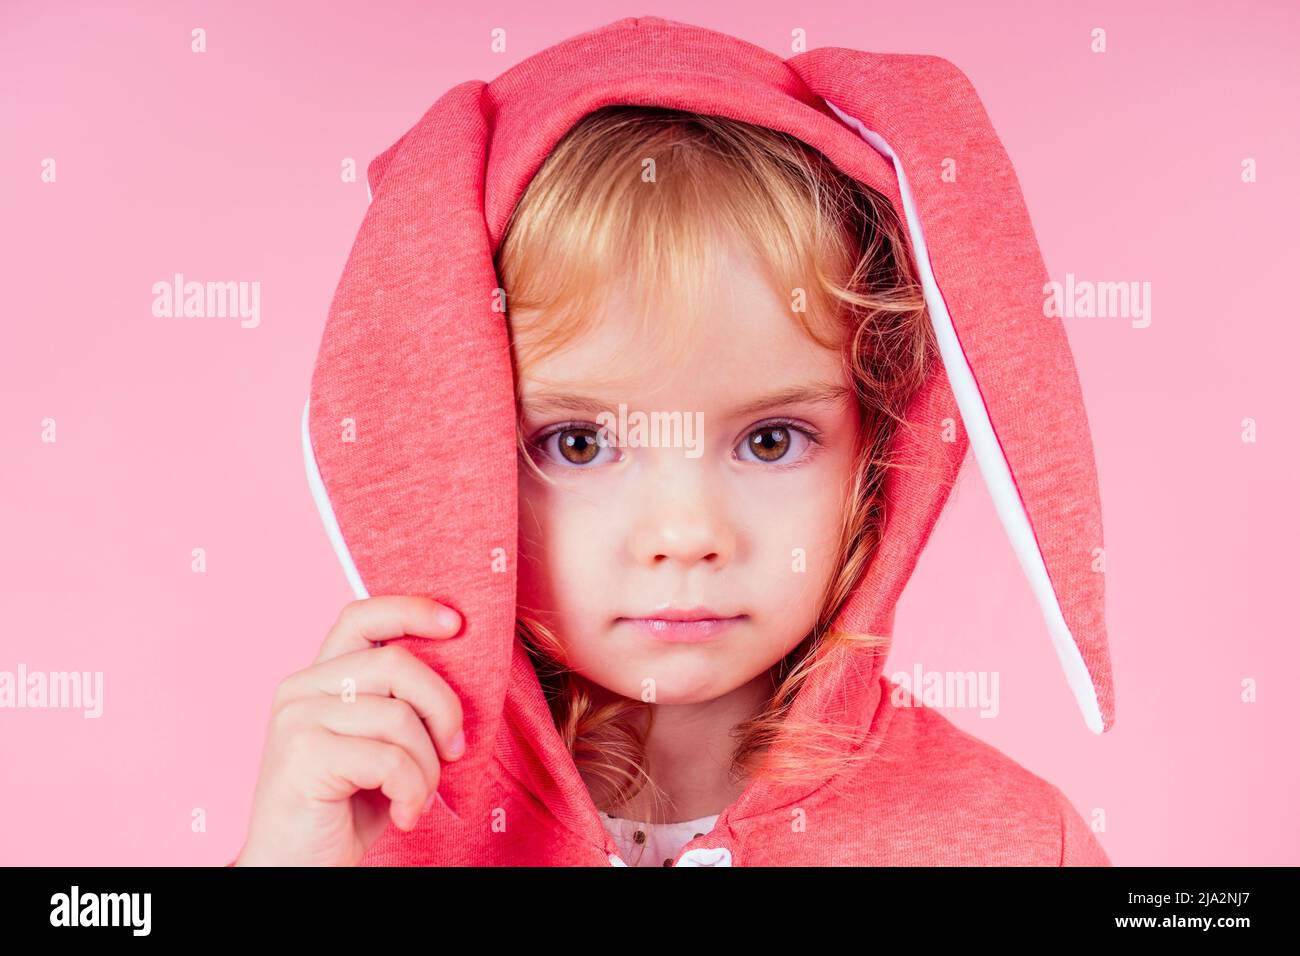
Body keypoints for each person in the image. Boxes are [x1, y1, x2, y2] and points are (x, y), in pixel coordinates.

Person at [233, 16, 1114, 867]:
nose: (686, 533)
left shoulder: (1012, 843)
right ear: (454, 447)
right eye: (578, 444)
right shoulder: (360, 827)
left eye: (771, 440)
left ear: (877, 449)